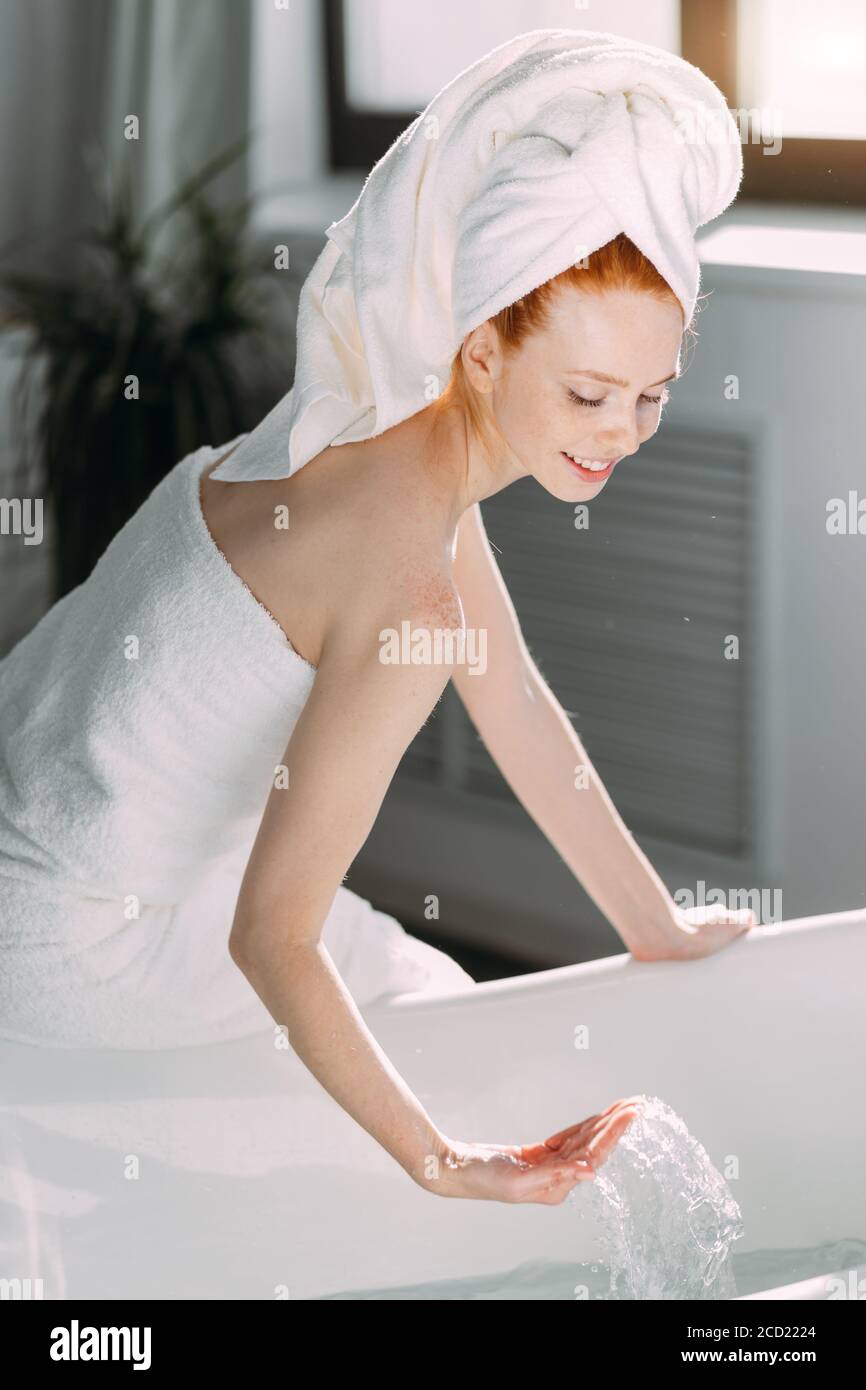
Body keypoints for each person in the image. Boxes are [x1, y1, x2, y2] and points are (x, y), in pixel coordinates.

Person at [0, 31, 751, 1207]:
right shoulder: (408, 577)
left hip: (52, 831)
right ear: (484, 350)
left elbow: (513, 707)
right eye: (588, 394)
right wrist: (444, 1165)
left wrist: (648, 927)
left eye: (651, 395)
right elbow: (271, 938)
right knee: (403, 1067)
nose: (621, 434)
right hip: (67, 938)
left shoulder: (367, 427)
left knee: (419, 996)